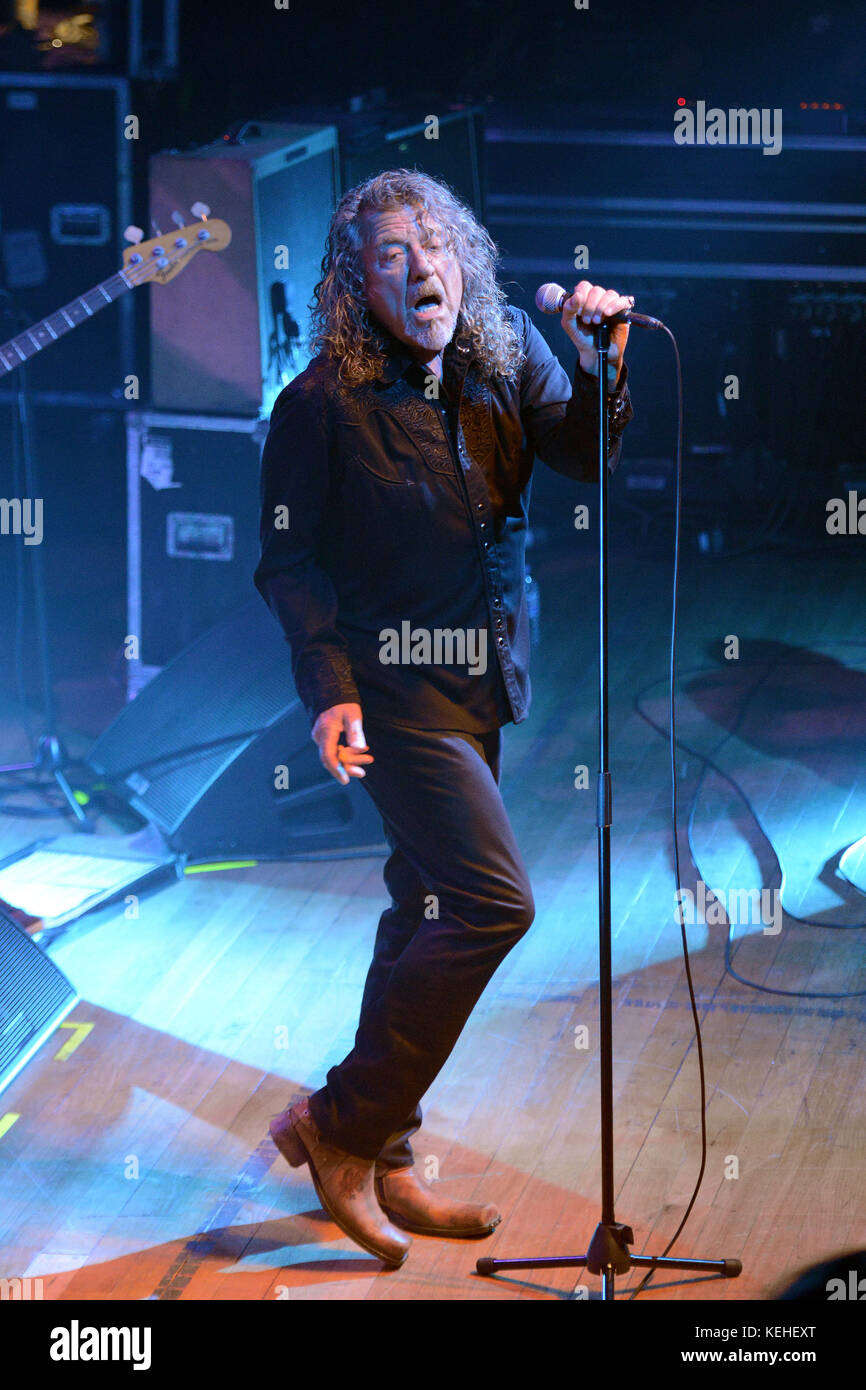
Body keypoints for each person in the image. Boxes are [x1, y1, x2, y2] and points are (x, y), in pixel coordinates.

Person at [254, 168, 634, 1266]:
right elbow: (286, 562)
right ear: (355, 286)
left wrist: (600, 359)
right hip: (391, 687)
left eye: (433, 246)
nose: (420, 269)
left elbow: (586, 459)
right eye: (389, 256)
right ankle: (339, 1123)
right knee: (489, 902)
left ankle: (386, 1148)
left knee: (419, 902)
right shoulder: (320, 405)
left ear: (461, 252)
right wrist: (328, 690)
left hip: (483, 677)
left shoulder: (505, 343)